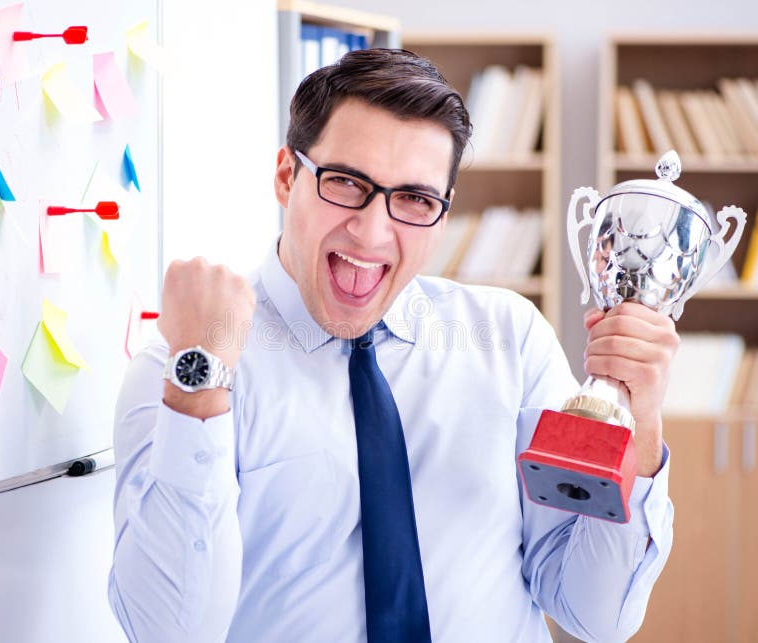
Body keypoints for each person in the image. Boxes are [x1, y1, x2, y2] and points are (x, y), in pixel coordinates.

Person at [108, 48, 676, 642]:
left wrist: (639, 427)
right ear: (286, 177)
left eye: (414, 200)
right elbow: (170, 632)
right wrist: (200, 387)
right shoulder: (184, 369)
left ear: (442, 213)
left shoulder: (511, 340)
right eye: (346, 183)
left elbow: (597, 614)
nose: (372, 231)